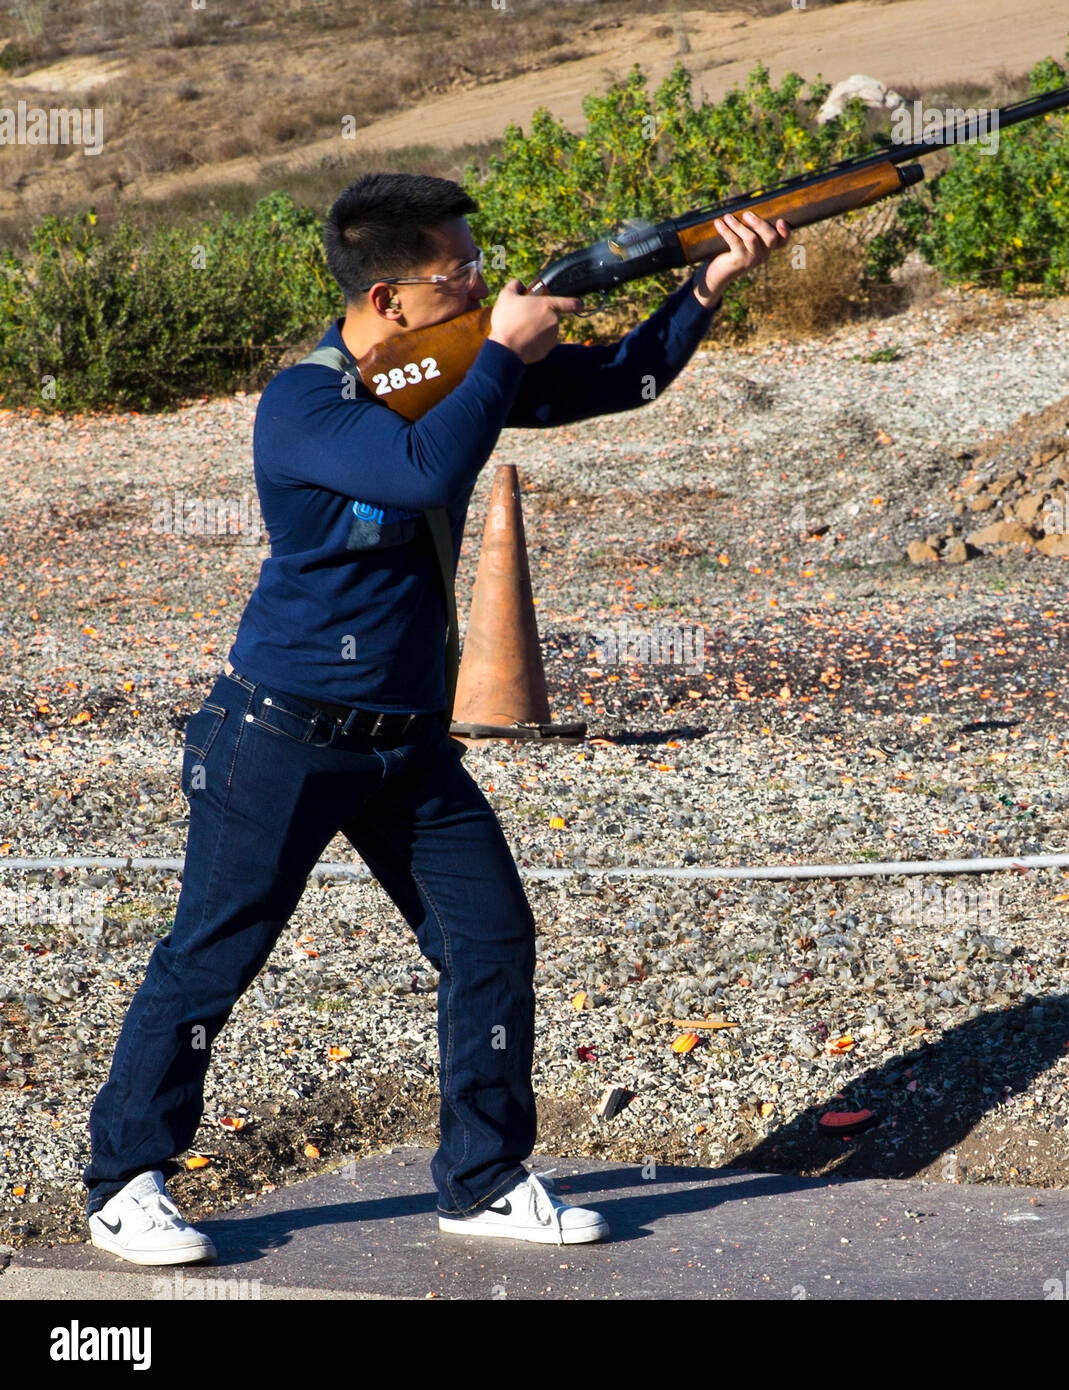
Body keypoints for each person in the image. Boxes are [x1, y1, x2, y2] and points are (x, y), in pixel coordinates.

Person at [81, 172, 789, 1261]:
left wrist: (703, 287)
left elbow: (626, 382)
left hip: (406, 744)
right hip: (280, 733)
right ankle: (124, 1181)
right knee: (211, 958)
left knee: (491, 938)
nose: (479, 278)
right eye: (455, 269)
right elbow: (422, 470)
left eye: (476, 260)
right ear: (388, 298)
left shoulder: (448, 372)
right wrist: (504, 351)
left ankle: (483, 1178)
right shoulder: (307, 403)